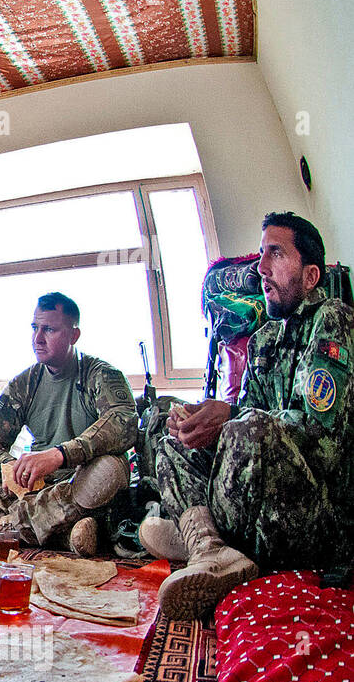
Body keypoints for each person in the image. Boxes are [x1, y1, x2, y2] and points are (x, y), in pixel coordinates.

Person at [144, 212, 354, 619]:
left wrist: (233, 417)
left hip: (319, 516)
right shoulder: (263, 341)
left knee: (249, 428)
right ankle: (210, 548)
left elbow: (324, 442)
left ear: (311, 276)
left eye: (276, 253)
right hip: (260, 503)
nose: (260, 268)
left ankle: (194, 533)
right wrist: (202, 423)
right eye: (261, 254)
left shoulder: (335, 321)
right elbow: (243, 419)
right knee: (172, 441)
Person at [0, 292, 135, 556]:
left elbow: (124, 421)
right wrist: (10, 466)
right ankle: (61, 534)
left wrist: (60, 455)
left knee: (111, 469)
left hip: (76, 484)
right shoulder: (25, 384)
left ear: (74, 335)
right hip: (31, 489)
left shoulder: (101, 374)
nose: (38, 338)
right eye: (35, 328)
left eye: (49, 329)